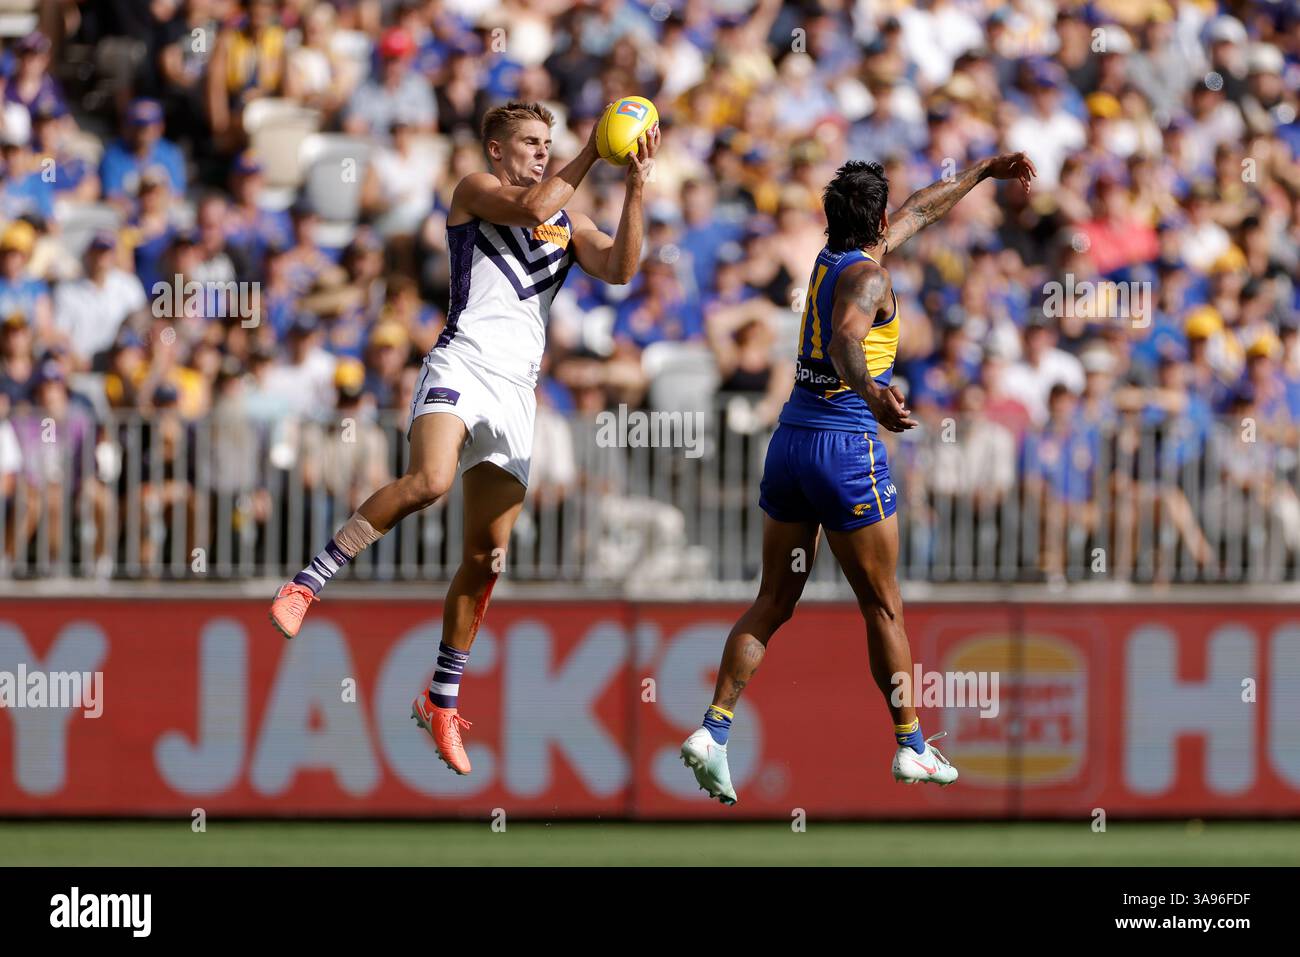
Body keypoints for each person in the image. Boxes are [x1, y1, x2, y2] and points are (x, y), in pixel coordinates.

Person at [269, 100, 658, 775]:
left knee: (489, 556)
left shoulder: (571, 218)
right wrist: (595, 148)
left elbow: (621, 268)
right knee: (431, 481)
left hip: (516, 391)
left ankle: (440, 699)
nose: (541, 150)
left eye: (548, 142)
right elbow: (535, 207)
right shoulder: (475, 192)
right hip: (461, 363)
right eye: (530, 142)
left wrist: (637, 185)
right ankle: (308, 581)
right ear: (497, 150)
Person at [680, 150, 1036, 804]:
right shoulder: (870, 278)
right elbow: (848, 338)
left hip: (790, 443)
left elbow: (923, 208)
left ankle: (713, 730)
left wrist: (982, 172)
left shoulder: (833, 256)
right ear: (876, 219)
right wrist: (874, 395)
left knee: (774, 599)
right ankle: (911, 745)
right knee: (882, 604)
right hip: (845, 448)